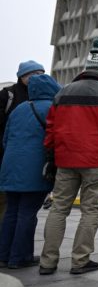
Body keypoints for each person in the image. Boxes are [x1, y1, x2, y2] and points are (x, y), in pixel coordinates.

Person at [40, 38, 98, 275]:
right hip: (96, 161)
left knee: (59, 208)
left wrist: (51, 155)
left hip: (66, 159)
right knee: (91, 210)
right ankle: (80, 260)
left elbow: (50, 128)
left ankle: (47, 261)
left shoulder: (64, 92)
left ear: (85, 68)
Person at [0, 74, 59, 268]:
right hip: (34, 168)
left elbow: (6, 139)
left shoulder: (19, 109)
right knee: (27, 213)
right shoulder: (52, 109)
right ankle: (19, 257)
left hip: (10, 166)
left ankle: (3, 255)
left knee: (11, 212)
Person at [0, 61, 46, 221]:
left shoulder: (41, 96)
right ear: (22, 76)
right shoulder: (8, 94)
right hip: (7, 154)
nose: (37, 78)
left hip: (26, 157)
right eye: (32, 74)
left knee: (17, 207)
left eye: (41, 74)